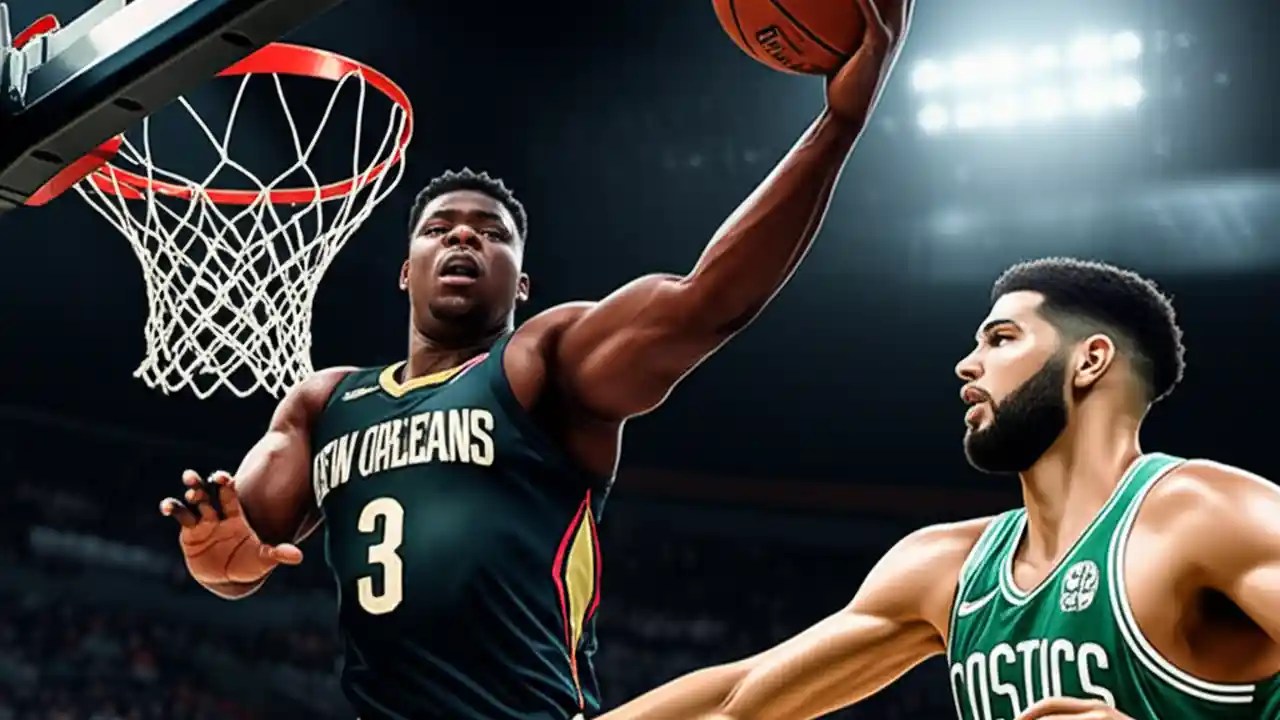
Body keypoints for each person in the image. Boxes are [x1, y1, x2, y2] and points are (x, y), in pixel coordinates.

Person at [156, 1, 913, 718]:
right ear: (404, 268)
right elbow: (238, 556)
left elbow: (708, 301)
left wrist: (838, 126)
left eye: (490, 232)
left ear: (521, 282)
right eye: (439, 228)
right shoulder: (325, 403)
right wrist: (219, 563)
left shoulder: (541, 365)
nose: (462, 238)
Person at [598, 257, 1280, 720]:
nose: (966, 363)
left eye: (1002, 339)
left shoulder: (1204, 514)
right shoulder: (947, 568)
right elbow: (738, 702)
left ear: (1090, 360)